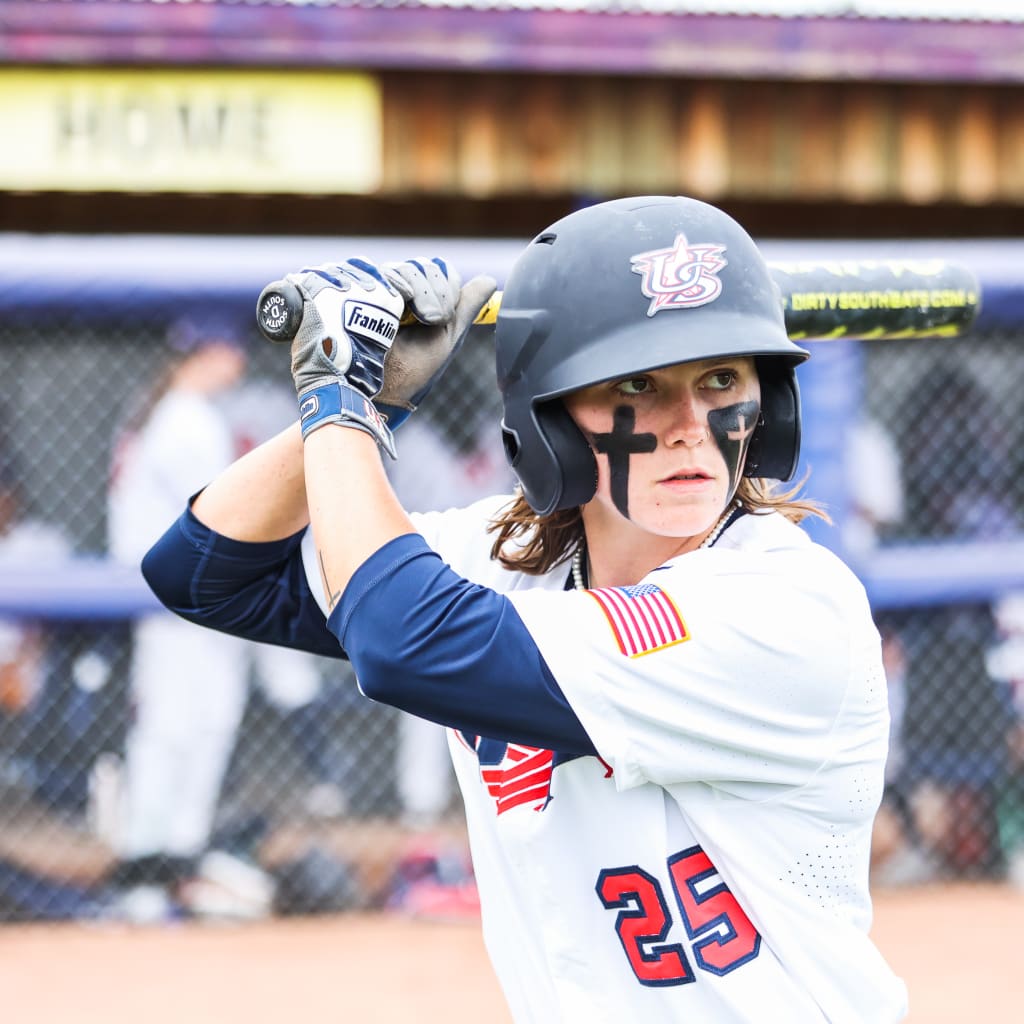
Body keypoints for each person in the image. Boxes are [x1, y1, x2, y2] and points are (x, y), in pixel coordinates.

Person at [142, 198, 908, 1020]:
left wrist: (338, 397)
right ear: (552, 421)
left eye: (720, 378)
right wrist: (372, 403)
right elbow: (207, 572)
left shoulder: (788, 610)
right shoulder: (502, 561)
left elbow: (410, 643)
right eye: (639, 385)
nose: (691, 426)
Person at [105, 315, 278, 921]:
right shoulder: (187, 418)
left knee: (183, 734)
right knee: (182, 735)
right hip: (182, 604)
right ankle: (151, 880)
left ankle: (162, 878)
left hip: (174, 604)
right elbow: (222, 516)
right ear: (206, 354)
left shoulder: (163, 410)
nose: (236, 361)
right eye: (228, 349)